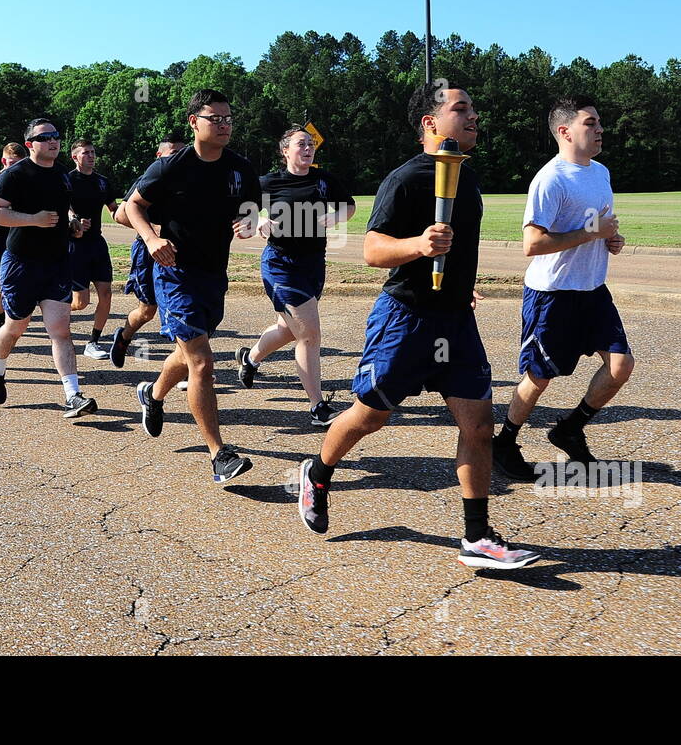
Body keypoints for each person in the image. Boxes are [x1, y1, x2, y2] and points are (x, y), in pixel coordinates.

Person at [296, 83, 540, 572]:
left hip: (456, 320)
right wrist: (419, 246)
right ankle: (318, 472)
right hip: (405, 319)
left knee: (477, 424)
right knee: (370, 417)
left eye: (472, 107)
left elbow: (460, 249)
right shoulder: (405, 179)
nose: (473, 115)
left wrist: (460, 285)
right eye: (461, 109)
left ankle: (477, 536)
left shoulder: (467, 179)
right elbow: (371, 250)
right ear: (430, 123)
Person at [123, 90, 260, 483]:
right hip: (174, 273)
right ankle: (219, 454)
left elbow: (250, 205)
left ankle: (152, 395)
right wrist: (151, 240)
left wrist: (248, 222)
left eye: (229, 118)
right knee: (201, 360)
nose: (224, 125)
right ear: (193, 122)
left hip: (213, 274)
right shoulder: (171, 167)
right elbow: (133, 206)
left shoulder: (240, 168)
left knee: (187, 354)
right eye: (215, 118)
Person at [492, 97, 633, 477]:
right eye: (591, 123)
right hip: (552, 293)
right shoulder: (550, 178)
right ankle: (504, 441)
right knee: (540, 376)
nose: (600, 129)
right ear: (564, 131)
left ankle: (570, 429)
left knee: (621, 366)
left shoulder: (600, 173)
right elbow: (532, 244)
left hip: (592, 289)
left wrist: (609, 240)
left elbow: (597, 228)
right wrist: (593, 232)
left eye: (600, 122)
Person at [235, 127, 355, 429]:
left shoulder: (324, 180)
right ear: (285, 150)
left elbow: (349, 205)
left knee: (288, 331)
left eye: (311, 144)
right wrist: (259, 220)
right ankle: (317, 407)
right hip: (280, 265)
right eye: (301, 144)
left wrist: (337, 216)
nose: (308, 148)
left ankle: (250, 360)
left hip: (314, 265)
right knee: (310, 334)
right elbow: (239, 212)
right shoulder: (268, 182)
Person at [0, 119, 97, 418]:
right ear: (30, 144)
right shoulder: (15, 174)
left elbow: (66, 208)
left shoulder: (62, 174)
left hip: (57, 261)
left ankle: (73, 395)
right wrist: (33, 219)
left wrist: (73, 223)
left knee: (60, 330)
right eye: (45, 137)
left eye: (56, 136)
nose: (53, 141)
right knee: (16, 326)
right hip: (21, 262)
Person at [108, 135, 187, 368]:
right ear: (160, 155)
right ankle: (124, 336)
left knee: (178, 308)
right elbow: (121, 214)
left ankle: (186, 366)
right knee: (147, 310)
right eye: (174, 153)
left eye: (184, 153)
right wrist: (153, 233)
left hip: (180, 252)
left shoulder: (191, 179)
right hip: (148, 250)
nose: (179, 159)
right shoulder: (151, 178)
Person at [65, 140, 120, 359]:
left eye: (92, 152)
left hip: (97, 245)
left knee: (106, 295)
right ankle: (53, 313)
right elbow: (62, 207)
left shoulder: (103, 182)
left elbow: (114, 209)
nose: (90, 156)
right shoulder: (67, 180)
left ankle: (93, 342)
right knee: (81, 302)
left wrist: (138, 219)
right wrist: (74, 220)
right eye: (85, 153)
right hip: (75, 246)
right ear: (75, 157)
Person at [0, 143, 26, 334]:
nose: (15, 167)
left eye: (20, 163)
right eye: (12, 163)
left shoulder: (25, 180)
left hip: (18, 235)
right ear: (3, 161)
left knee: (18, 283)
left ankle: (13, 319)